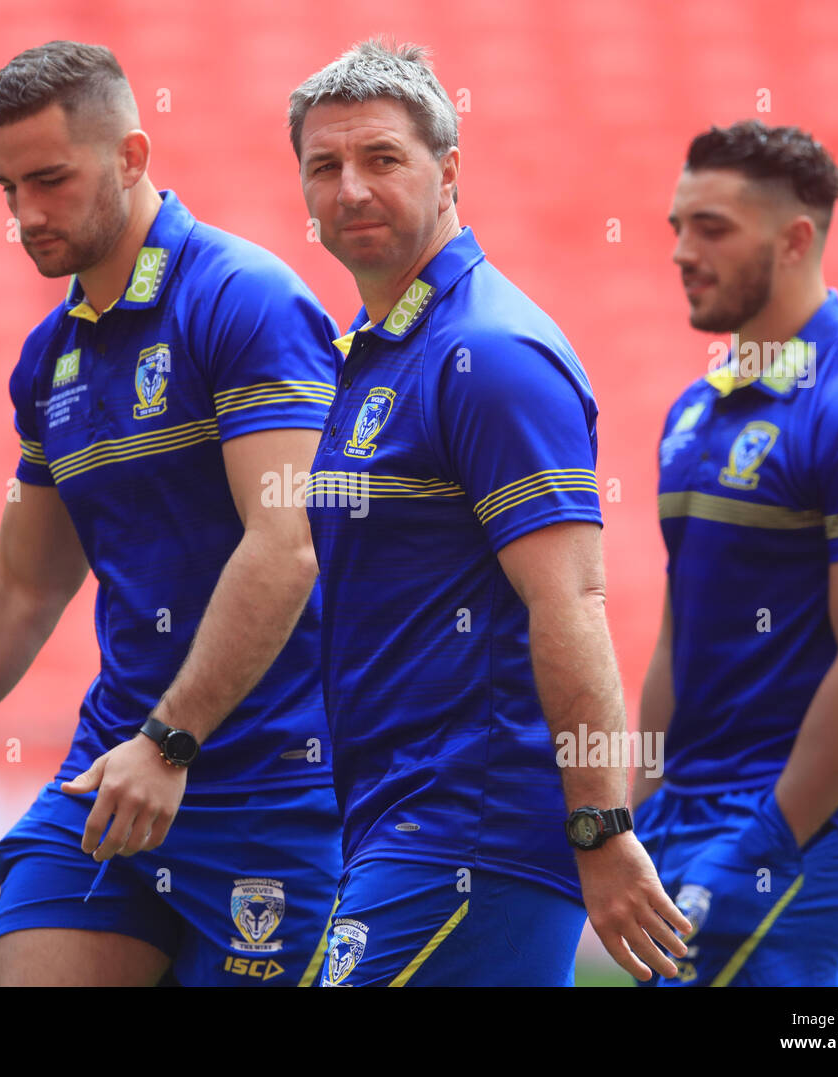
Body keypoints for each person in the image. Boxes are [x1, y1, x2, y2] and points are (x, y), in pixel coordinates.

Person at [0, 40, 343, 987]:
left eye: (49, 180)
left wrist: (171, 742)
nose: (26, 216)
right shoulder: (47, 361)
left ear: (131, 156)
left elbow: (286, 546)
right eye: (7, 189)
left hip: (274, 785)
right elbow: (22, 584)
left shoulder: (245, 302)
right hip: (108, 778)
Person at [288, 39, 690, 987]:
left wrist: (599, 825)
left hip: (470, 828)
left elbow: (573, 599)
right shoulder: (375, 351)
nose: (350, 188)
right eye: (325, 165)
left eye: (383, 159)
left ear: (450, 170)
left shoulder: (492, 352)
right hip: (398, 816)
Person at [633, 120, 838, 986]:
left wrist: (772, 833)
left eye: (713, 228)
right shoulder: (694, 413)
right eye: (676, 227)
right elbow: (675, 632)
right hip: (690, 804)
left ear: (796, 238)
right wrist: (640, 801)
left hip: (808, 812)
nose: (682, 252)